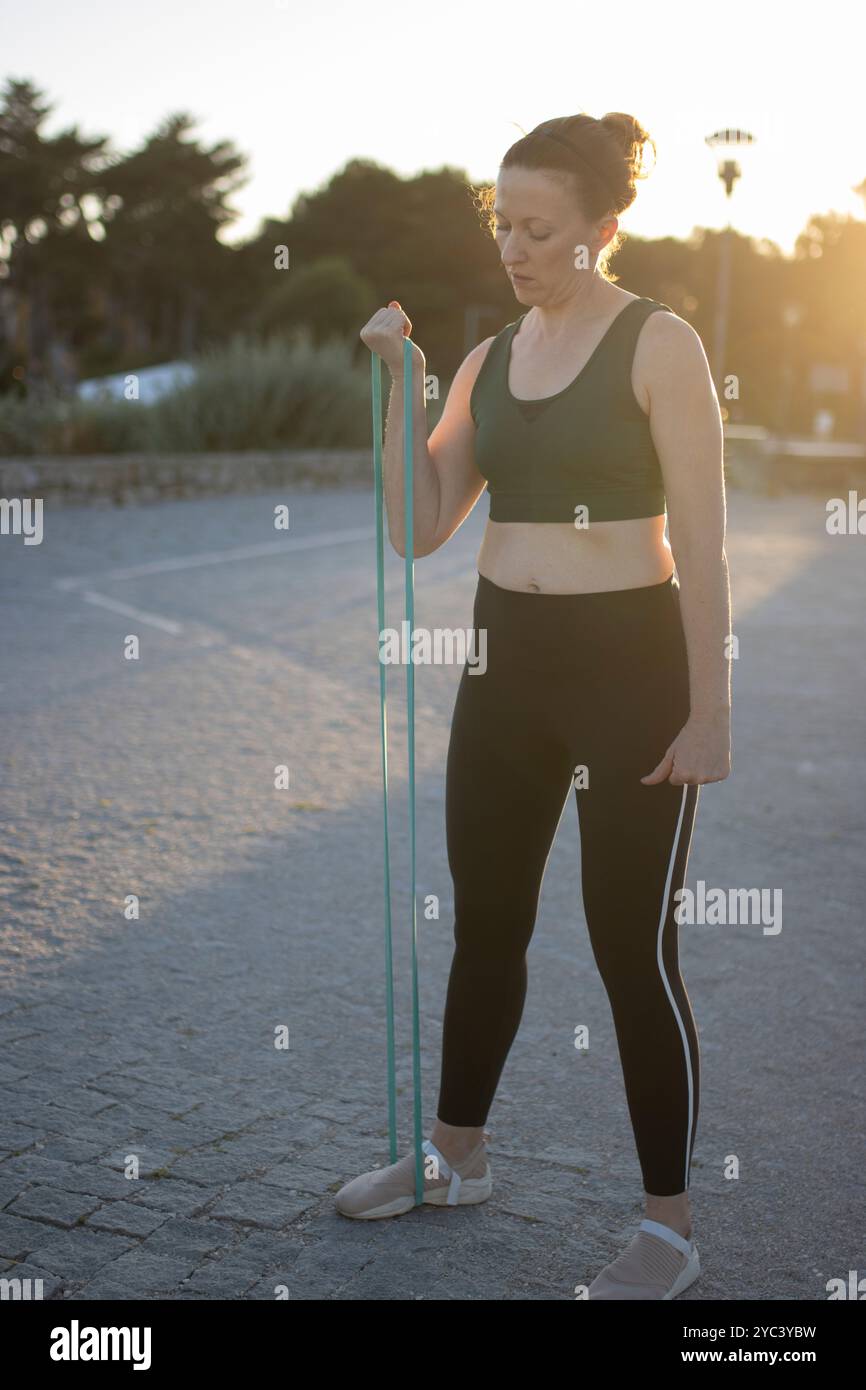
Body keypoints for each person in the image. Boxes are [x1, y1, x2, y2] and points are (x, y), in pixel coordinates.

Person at [337, 111, 732, 1301]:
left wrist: (707, 713)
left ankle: (665, 1224)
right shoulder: (484, 361)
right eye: (501, 222)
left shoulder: (658, 345)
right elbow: (416, 527)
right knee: (485, 927)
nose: (513, 247)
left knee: (630, 951)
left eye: (538, 228)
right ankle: (456, 1157)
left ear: (602, 228)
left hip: (631, 673)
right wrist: (400, 386)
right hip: (503, 668)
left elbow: (706, 549)